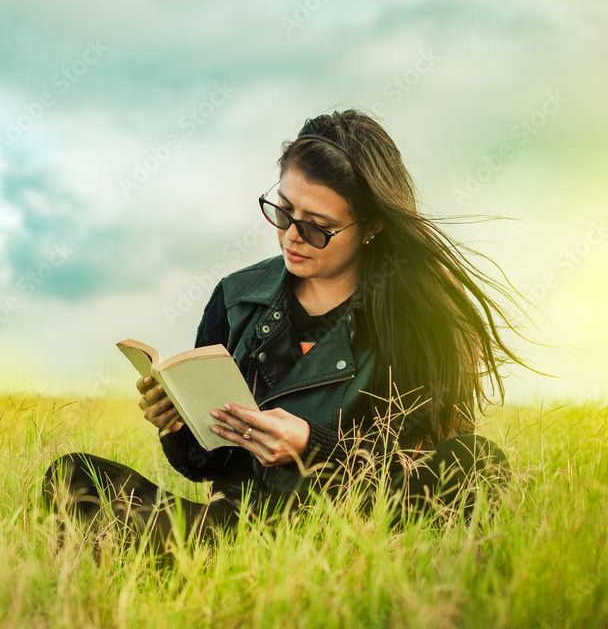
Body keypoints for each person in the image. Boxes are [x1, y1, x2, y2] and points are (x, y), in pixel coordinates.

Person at [41, 109, 539, 557]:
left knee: (480, 462)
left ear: (369, 228)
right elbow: (206, 466)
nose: (291, 236)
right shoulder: (237, 297)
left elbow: (421, 472)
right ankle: (203, 568)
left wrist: (309, 445)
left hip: (351, 532)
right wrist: (176, 426)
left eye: (317, 226)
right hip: (231, 528)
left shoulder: (418, 318)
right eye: (283, 211)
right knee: (73, 476)